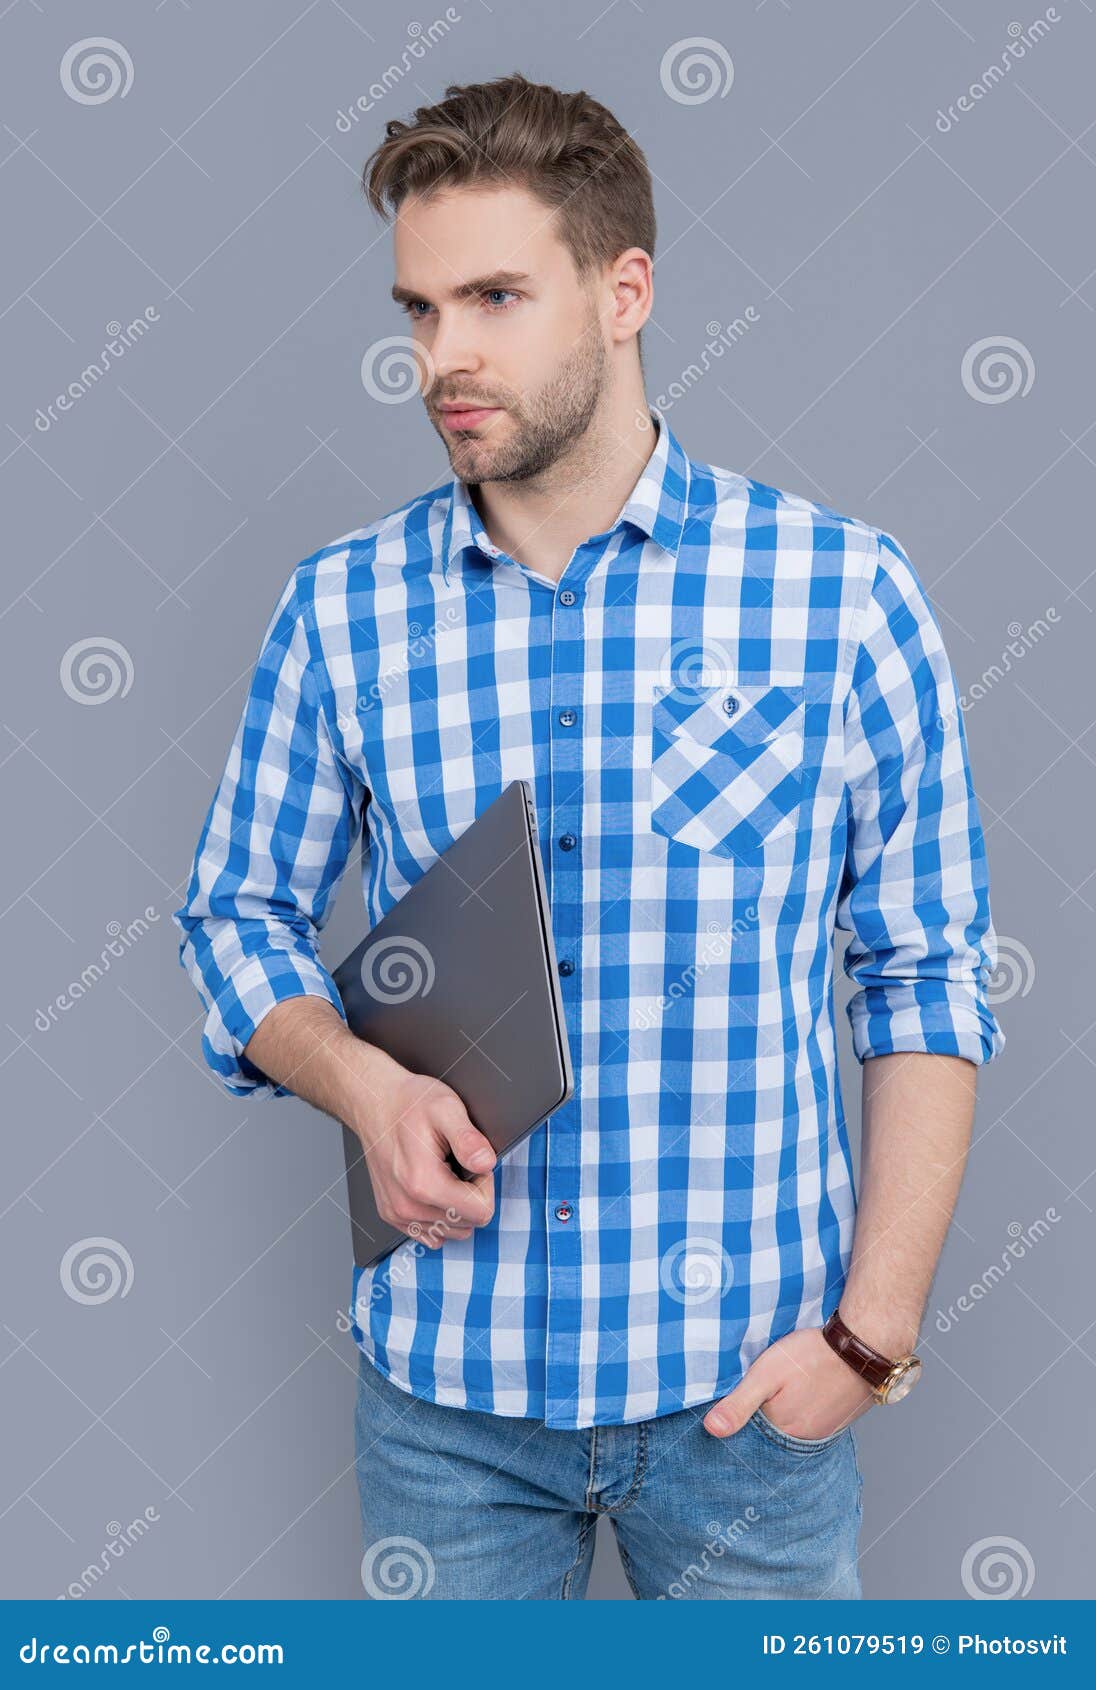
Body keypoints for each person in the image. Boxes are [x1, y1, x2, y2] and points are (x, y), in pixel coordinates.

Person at [173, 73, 1004, 1601]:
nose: (445, 355)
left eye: (495, 295)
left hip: (751, 1399)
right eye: (421, 309)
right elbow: (232, 914)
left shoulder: (840, 595)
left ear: (626, 292)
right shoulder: (341, 611)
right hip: (446, 1410)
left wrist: (870, 1334)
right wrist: (360, 1085)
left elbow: (927, 971)